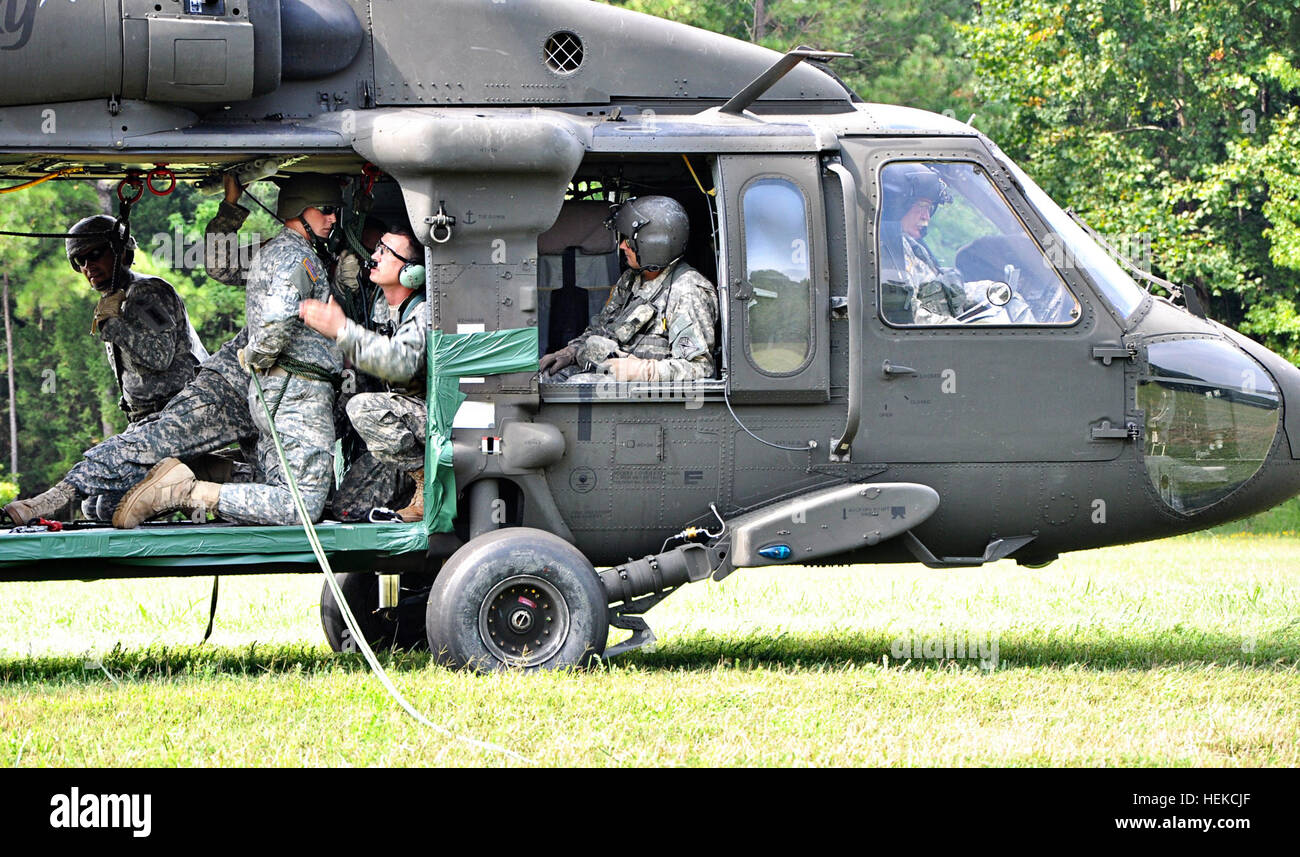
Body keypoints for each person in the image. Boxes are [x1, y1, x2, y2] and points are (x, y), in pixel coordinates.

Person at [112, 175, 346, 528]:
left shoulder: (310, 256)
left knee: (296, 497)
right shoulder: (291, 256)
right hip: (292, 394)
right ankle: (187, 491)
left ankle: (196, 482)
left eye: (336, 213)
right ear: (298, 211)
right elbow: (228, 271)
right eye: (326, 211)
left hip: (285, 395)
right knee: (300, 506)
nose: (332, 220)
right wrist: (230, 208)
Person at [299, 228, 428, 521]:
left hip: (428, 422)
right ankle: (408, 487)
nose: (374, 257)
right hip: (398, 430)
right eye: (377, 248)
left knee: (362, 407)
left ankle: (428, 483)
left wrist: (342, 331)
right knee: (348, 508)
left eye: (385, 252)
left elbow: (400, 364)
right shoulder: (378, 305)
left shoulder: (423, 312)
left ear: (411, 272)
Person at [537, 195, 717, 383]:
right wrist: (570, 352)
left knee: (576, 387)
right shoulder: (631, 279)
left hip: (645, 395)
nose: (622, 246)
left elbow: (700, 367)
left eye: (629, 241)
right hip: (610, 375)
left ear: (654, 245)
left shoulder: (687, 291)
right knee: (543, 379)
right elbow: (601, 329)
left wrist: (641, 371)